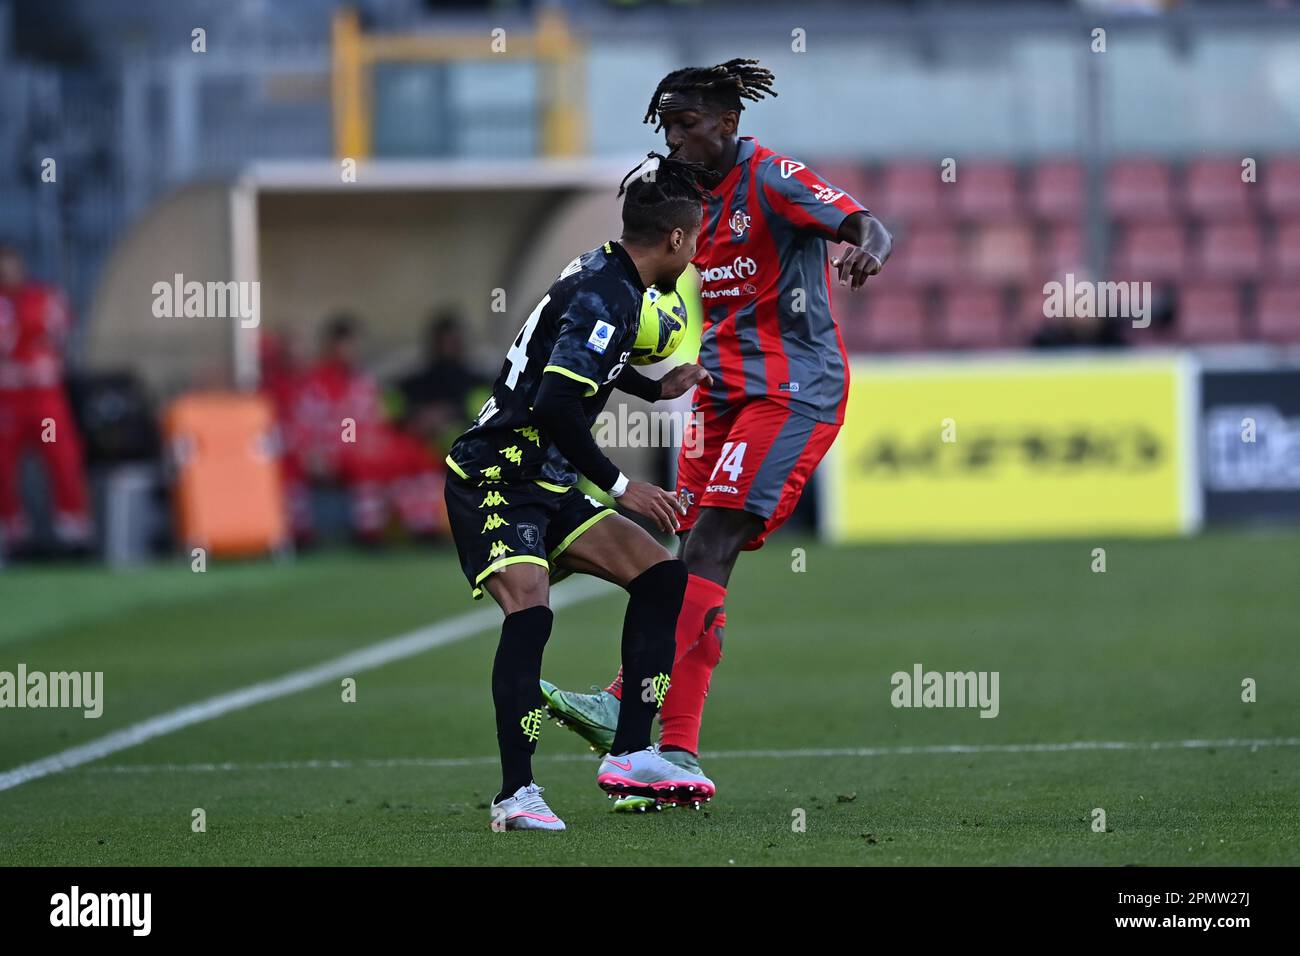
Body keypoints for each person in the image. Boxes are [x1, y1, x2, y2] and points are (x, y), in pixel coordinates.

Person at [542, 59, 894, 809]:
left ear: (728, 123)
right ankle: (672, 755)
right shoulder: (683, 192)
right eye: (666, 125)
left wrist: (865, 248)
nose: (675, 137)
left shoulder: (773, 178)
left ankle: (623, 707)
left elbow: (866, 221)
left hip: (791, 389)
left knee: (707, 549)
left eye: (688, 124)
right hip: (717, 391)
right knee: (691, 568)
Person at [442, 156, 715, 831]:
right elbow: (557, 402)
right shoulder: (610, 295)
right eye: (697, 238)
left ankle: (631, 750)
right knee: (531, 612)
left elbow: (582, 364)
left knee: (660, 577)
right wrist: (622, 487)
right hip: (496, 478)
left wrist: (655, 388)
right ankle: (515, 796)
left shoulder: (606, 272)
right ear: (677, 240)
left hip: (551, 479)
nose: (697, 250)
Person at [283, 315, 444, 544]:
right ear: (331, 347)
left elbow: (378, 418)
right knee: (367, 468)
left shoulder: (363, 381)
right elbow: (304, 427)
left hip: (368, 445)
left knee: (420, 459)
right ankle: (370, 531)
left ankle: (425, 527)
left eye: (354, 345)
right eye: (344, 346)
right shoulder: (315, 385)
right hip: (335, 450)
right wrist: (313, 452)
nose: (350, 352)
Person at [0, 243, 93, 557]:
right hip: (8, 402)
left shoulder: (44, 298)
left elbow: (59, 337)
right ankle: (12, 532)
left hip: (43, 400)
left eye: (10, 264)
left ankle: (72, 530)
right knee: (3, 464)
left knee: (62, 456)